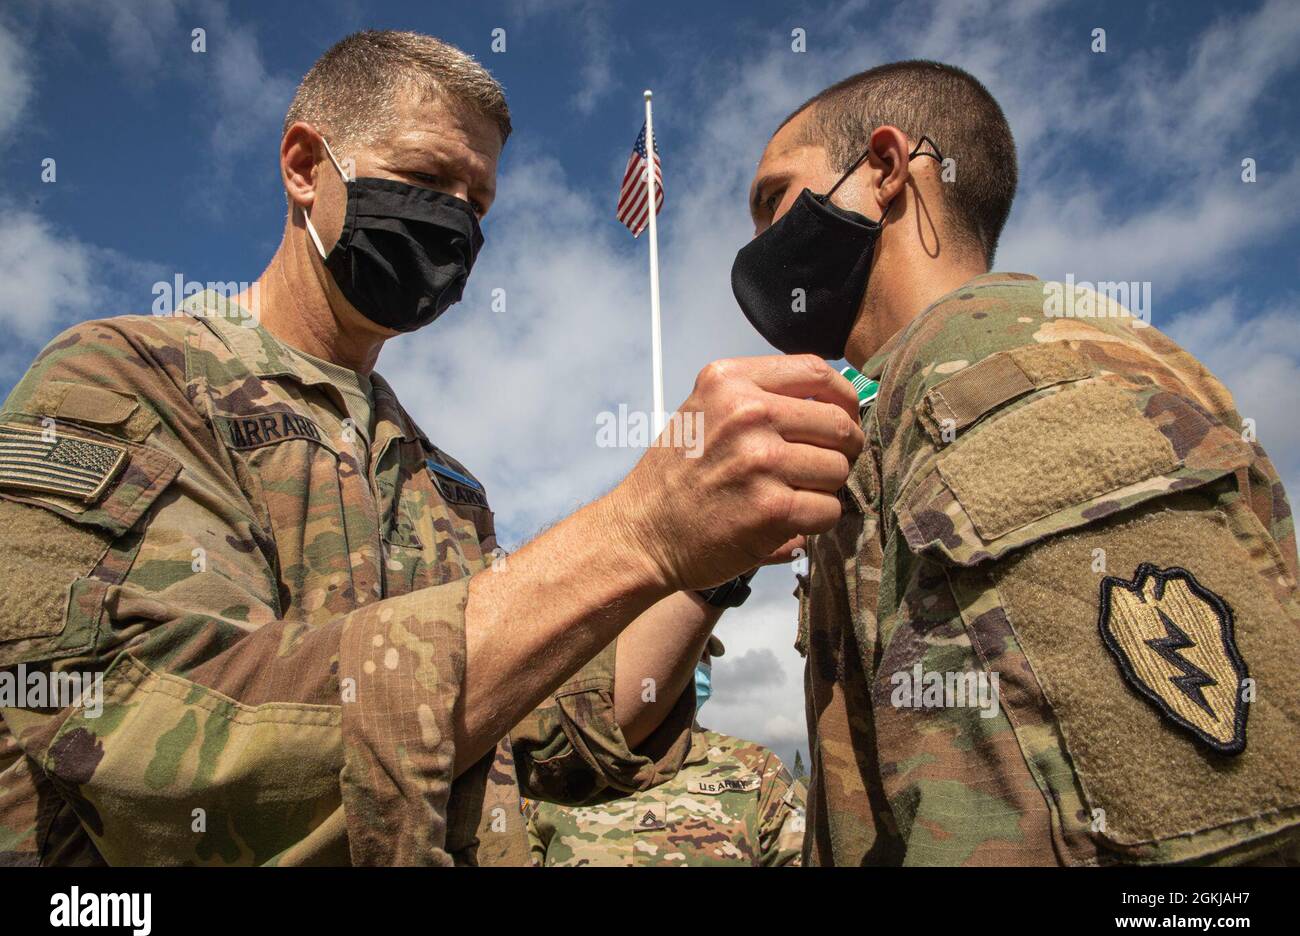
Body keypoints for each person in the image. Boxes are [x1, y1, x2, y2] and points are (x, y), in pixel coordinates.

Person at [0, 31, 863, 866]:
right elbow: (160, 755)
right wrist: (637, 530)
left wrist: (710, 558)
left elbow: (556, 731)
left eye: (476, 203)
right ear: (305, 168)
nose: (451, 220)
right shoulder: (128, 380)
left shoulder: (444, 484)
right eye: (423, 178)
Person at [731, 59, 1300, 865]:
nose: (758, 246)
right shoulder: (939, 385)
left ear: (886, 170)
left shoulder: (988, 375)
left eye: (772, 200)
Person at [526, 635, 805, 866]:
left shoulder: (756, 769)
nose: (696, 662)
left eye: (703, 655)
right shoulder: (558, 771)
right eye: (681, 647)